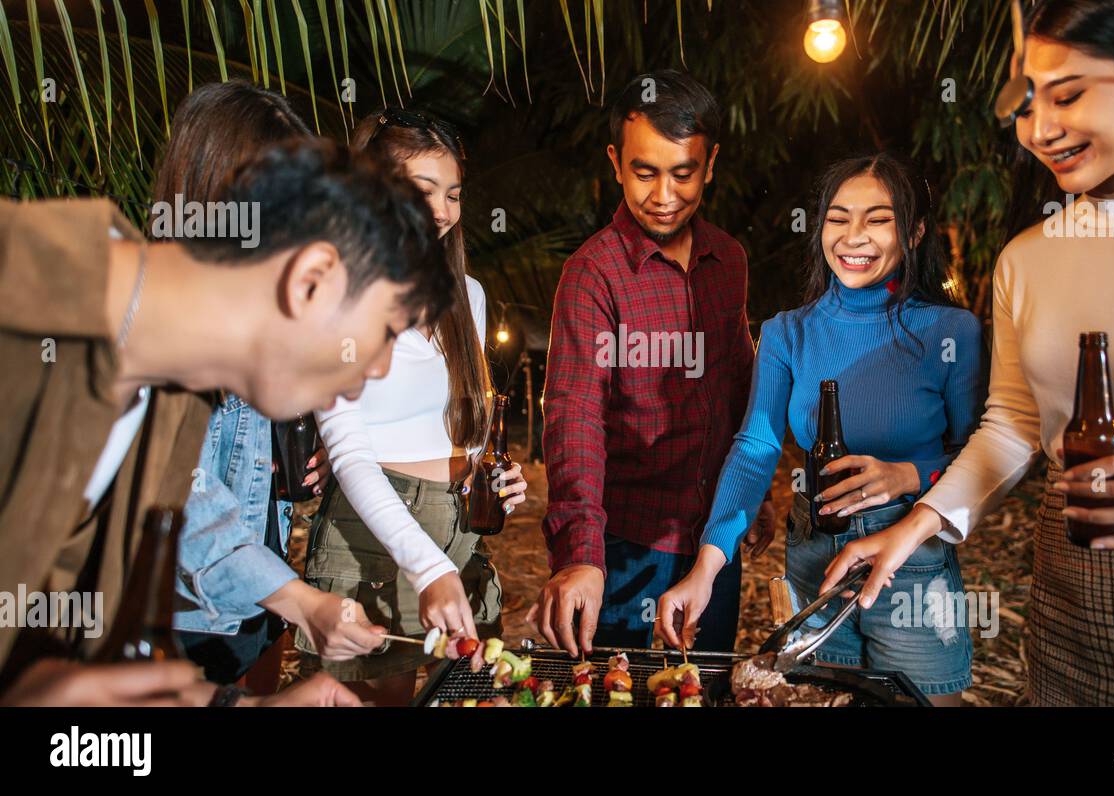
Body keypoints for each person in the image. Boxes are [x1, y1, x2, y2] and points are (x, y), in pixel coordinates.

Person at [822, 0, 1114, 705]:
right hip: (1074, 589)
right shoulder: (1028, 258)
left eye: (1070, 94)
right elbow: (1014, 425)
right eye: (1026, 105)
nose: (1041, 129)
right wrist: (916, 528)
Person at [0, 136, 450, 705]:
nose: (373, 372)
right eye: (386, 332)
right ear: (311, 279)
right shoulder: (20, 291)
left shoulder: (175, 403)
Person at [656, 152, 982, 704]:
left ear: (916, 230)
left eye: (879, 219)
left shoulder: (952, 332)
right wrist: (706, 568)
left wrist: (909, 476)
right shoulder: (788, 333)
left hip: (913, 560)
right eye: (838, 217)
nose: (853, 237)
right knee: (814, 700)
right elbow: (756, 448)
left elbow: (982, 455)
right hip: (816, 558)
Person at [148, 81, 384, 687]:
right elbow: (181, 494)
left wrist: (311, 453)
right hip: (172, 620)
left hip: (252, 606)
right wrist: (302, 602)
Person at [531, 70, 774, 657]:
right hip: (624, 548)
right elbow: (575, 416)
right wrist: (582, 555)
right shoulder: (593, 274)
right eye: (645, 172)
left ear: (710, 163)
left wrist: (753, 496)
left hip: (714, 546)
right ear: (616, 162)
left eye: (683, 173)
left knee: (702, 688)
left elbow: (741, 382)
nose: (664, 195)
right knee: (620, 691)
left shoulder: (729, 260)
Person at [297, 108, 528, 706]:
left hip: (459, 534)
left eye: (452, 194)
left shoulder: (465, 294)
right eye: (423, 190)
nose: (443, 211)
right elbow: (348, 450)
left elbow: (465, 426)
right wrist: (427, 568)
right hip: (372, 534)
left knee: (471, 697)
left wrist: (493, 472)